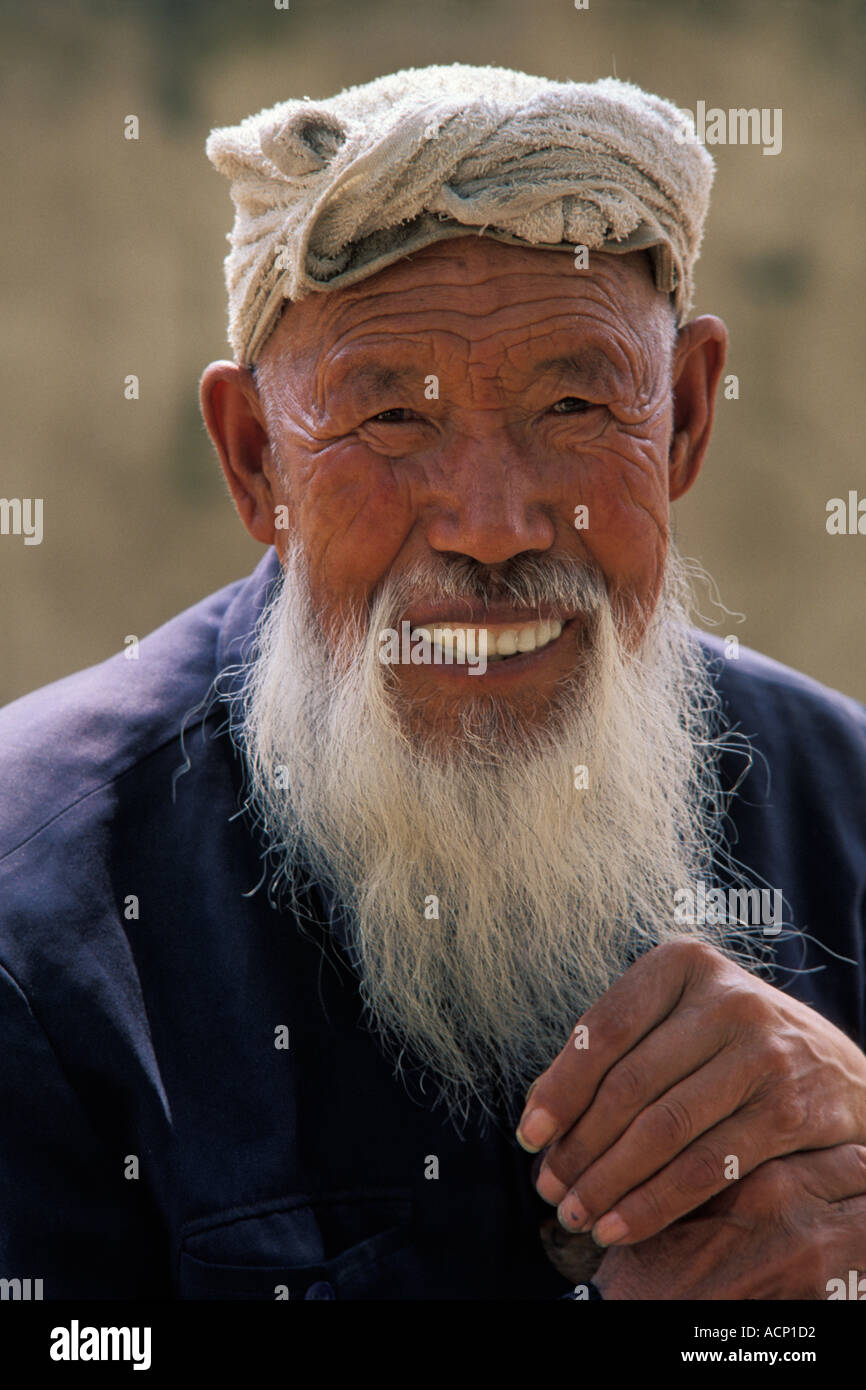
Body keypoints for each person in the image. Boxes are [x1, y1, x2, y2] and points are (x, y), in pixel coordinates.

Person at [1, 64, 864, 1302]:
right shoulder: (35, 917)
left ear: (679, 420)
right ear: (257, 463)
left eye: (574, 403)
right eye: (391, 421)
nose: (495, 523)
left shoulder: (843, 814)